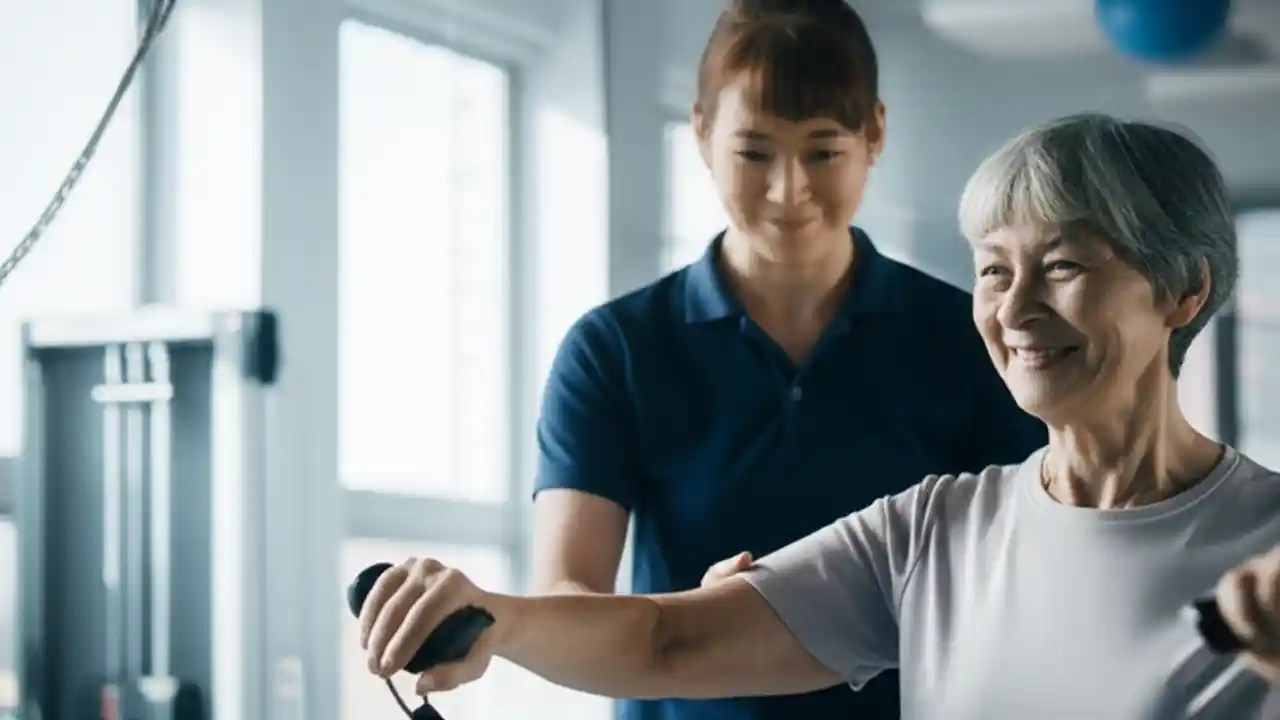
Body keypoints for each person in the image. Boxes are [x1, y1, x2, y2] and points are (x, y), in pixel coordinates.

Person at [359, 113, 1280, 719]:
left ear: (1183, 291)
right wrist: (498, 619)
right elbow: (668, 638)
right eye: (995, 269)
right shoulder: (930, 531)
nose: (1015, 308)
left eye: (1065, 266)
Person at [526, 0, 1045, 718]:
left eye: (823, 152)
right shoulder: (615, 350)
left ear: (874, 134)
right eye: (754, 152)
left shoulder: (969, 339)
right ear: (702, 131)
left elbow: (1026, 577)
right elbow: (564, 599)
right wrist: (691, 620)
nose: (788, 190)